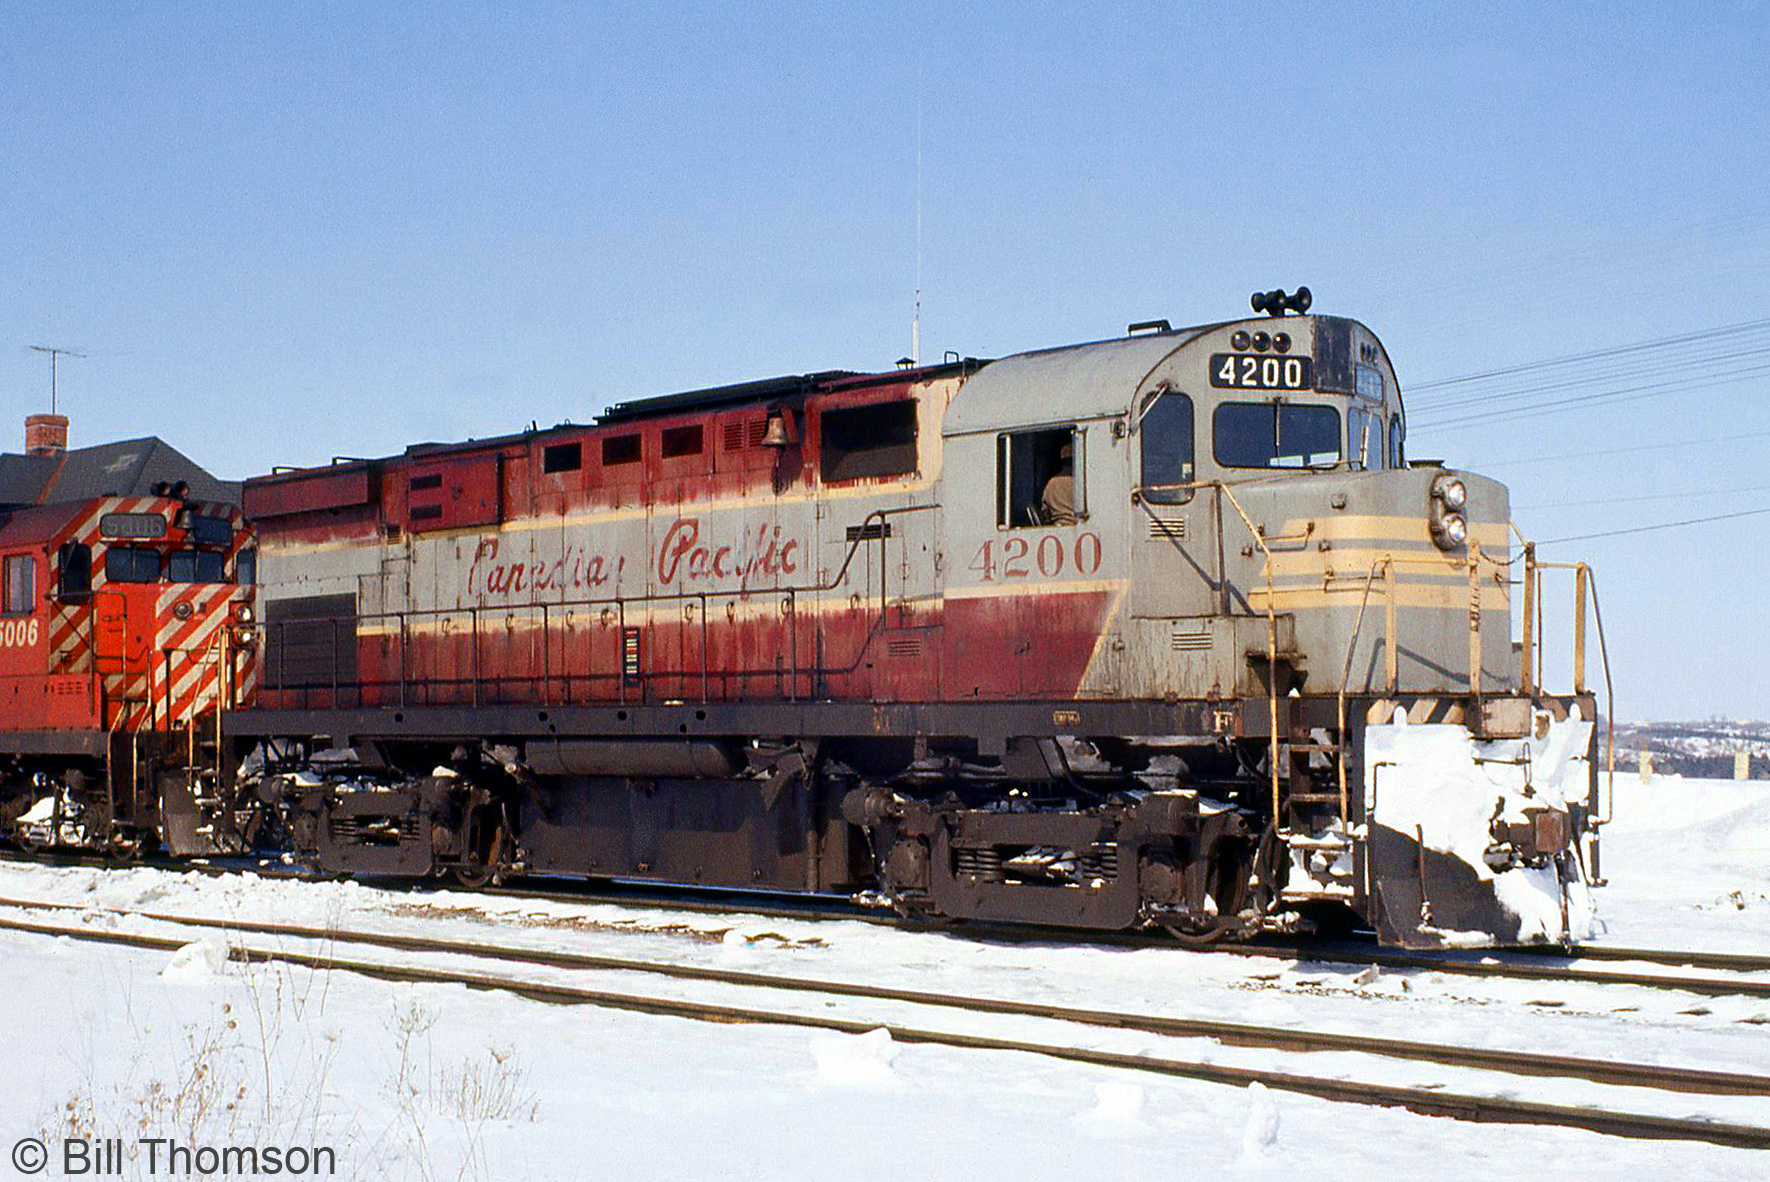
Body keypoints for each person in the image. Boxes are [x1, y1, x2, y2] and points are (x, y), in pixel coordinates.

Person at [1040, 442, 1076, 526]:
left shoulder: (1051, 483)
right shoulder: (1082, 482)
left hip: (1058, 528)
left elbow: (1045, 511)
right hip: (1080, 527)